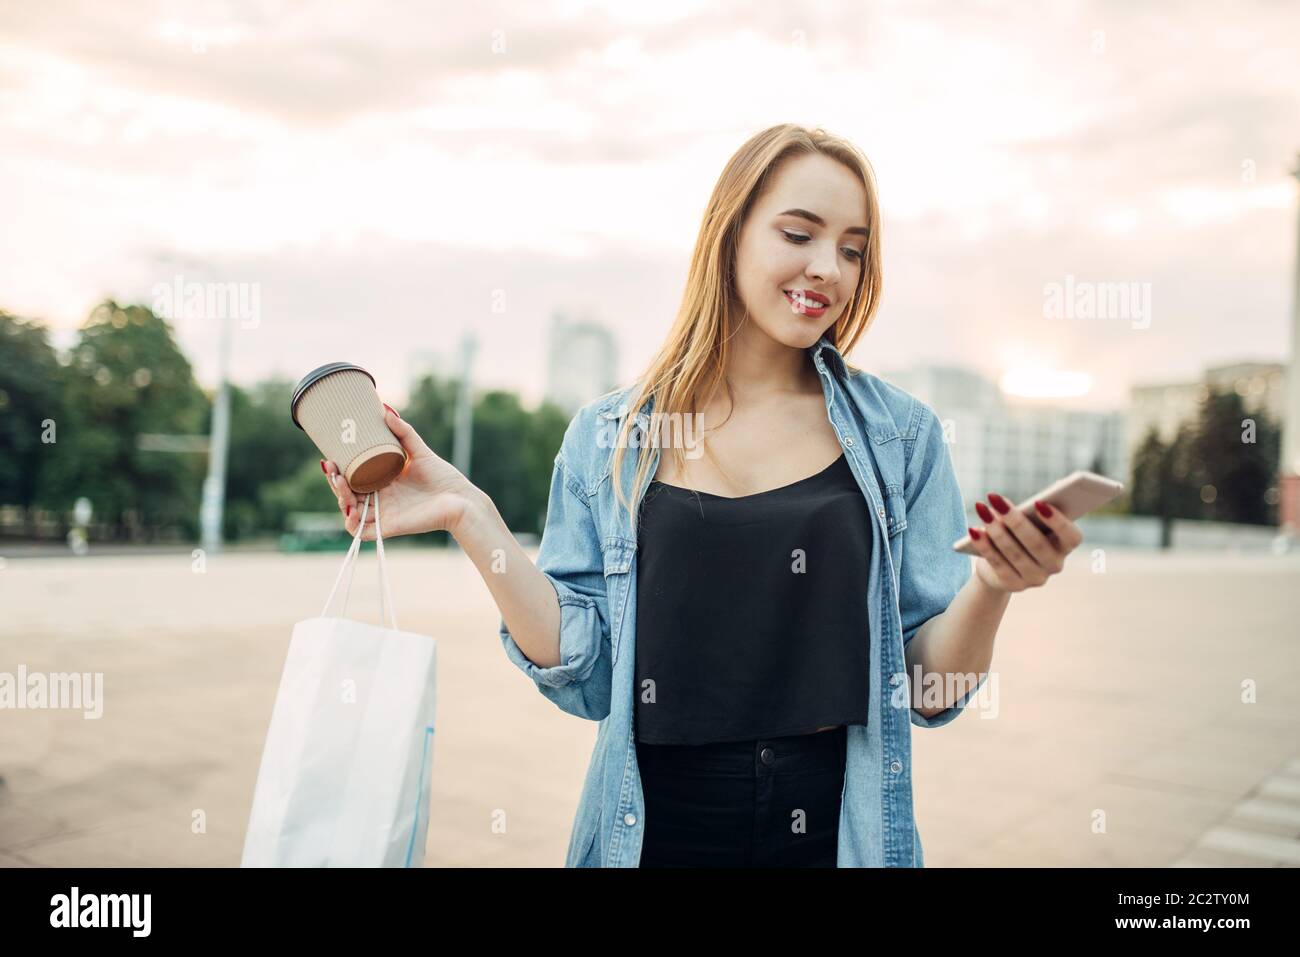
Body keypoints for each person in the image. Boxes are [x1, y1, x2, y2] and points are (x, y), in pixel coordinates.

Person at [321, 123, 1084, 867]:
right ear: (731, 235)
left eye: (853, 249)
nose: (830, 267)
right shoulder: (609, 436)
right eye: (799, 234)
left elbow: (926, 687)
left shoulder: (902, 437)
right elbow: (586, 673)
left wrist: (991, 584)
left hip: (835, 834)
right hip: (654, 831)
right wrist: (468, 512)